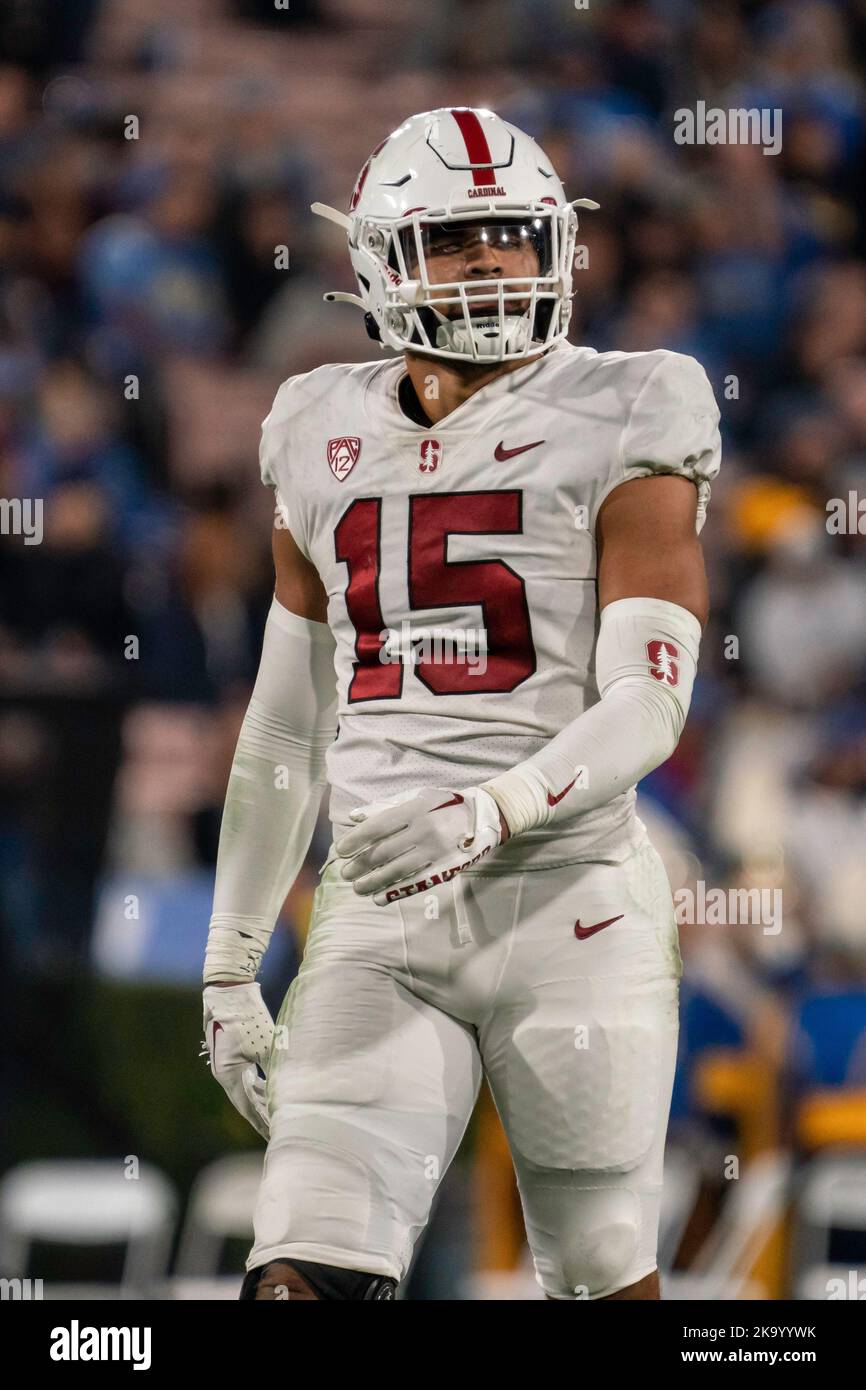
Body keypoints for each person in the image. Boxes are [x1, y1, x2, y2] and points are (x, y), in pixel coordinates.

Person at [201, 107, 721, 1301]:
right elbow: (286, 725)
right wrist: (230, 964)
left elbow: (649, 700)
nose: (489, 259)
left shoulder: (632, 399)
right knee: (298, 1278)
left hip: (570, 903)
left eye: (508, 232)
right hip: (380, 916)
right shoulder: (315, 423)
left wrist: (488, 810)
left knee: (596, 1278)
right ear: (381, 263)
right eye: (455, 238)